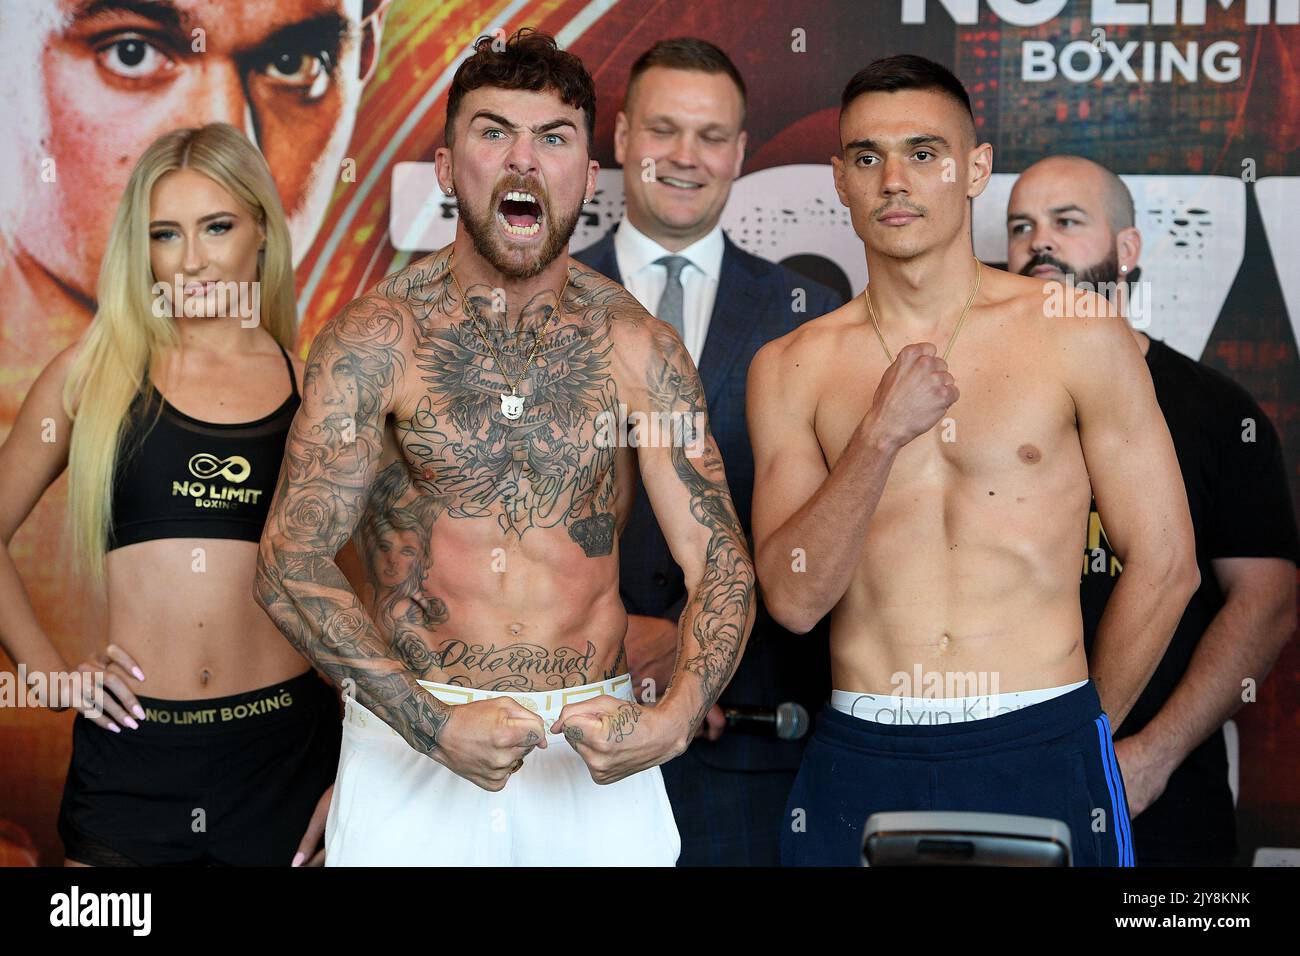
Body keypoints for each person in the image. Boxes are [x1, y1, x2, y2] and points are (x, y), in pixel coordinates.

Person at [254, 29, 756, 867]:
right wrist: (430, 723)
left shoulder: (639, 347)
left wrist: (671, 722)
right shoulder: (377, 341)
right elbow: (289, 564)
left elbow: (721, 562)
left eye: (554, 138)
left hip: (590, 749)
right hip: (412, 737)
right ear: (449, 168)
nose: (524, 162)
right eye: (493, 133)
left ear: (587, 176)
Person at [748, 54, 1200, 867]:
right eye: (866, 157)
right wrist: (879, 435)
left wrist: (1084, 730)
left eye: (924, 153)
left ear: (975, 169)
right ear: (840, 181)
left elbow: (1167, 563)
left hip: (1044, 737)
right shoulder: (791, 366)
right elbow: (793, 598)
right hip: (864, 744)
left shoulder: (1076, 330)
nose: (894, 180)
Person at [0, 122, 338, 866]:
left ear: (260, 233)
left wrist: (360, 774)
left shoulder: (316, 387)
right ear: (141, 249)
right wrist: (46, 676)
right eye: (165, 234)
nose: (191, 260)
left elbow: (378, 597)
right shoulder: (91, 376)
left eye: (216, 227)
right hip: (133, 759)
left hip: (285, 754)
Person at [574, 37, 843, 866]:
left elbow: (829, 530)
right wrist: (620, 640)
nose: (686, 157)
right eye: (663, 130)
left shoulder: (812, 311)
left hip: (756, 746)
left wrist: (701, 662)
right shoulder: (538, 300)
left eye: (712, 135)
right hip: (572, 736)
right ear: (619, 143)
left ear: (740, 153)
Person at [1007, 155, 1300, 866]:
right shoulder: (964, 404)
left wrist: (1150, 754)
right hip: (991, 785)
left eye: (1067, 222)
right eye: (1021, 228)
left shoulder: (1216, 410)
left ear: (1127, 251)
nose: (1038, 243)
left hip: (1159, 802)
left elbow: (1269, 600)